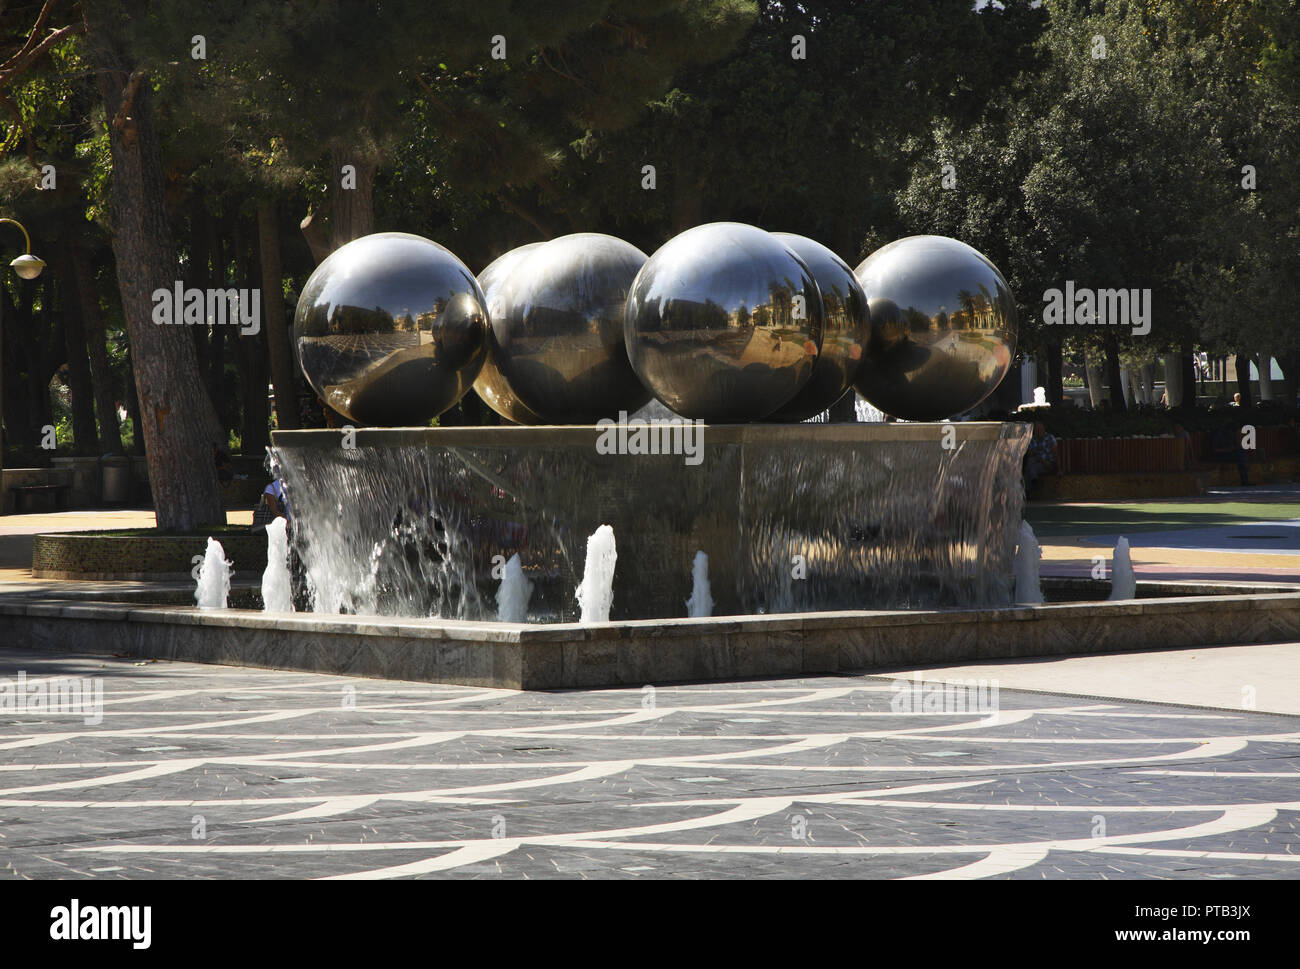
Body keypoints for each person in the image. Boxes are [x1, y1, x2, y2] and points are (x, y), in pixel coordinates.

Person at [1023, 422, 1058, 494]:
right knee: (1030, 463)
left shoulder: (1050, 438)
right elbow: (1029, 453)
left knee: (1028, 469)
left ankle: (1029, 488)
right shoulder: (1032, 439)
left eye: (1040, 429)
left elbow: (1055, 454)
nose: (1038, 431)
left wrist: (1058, 468)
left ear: (1043, 429)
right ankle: (1033, 481)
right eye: (1037, 430)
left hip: (1047, 464)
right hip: (1036, 462)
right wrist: (1037, 456)